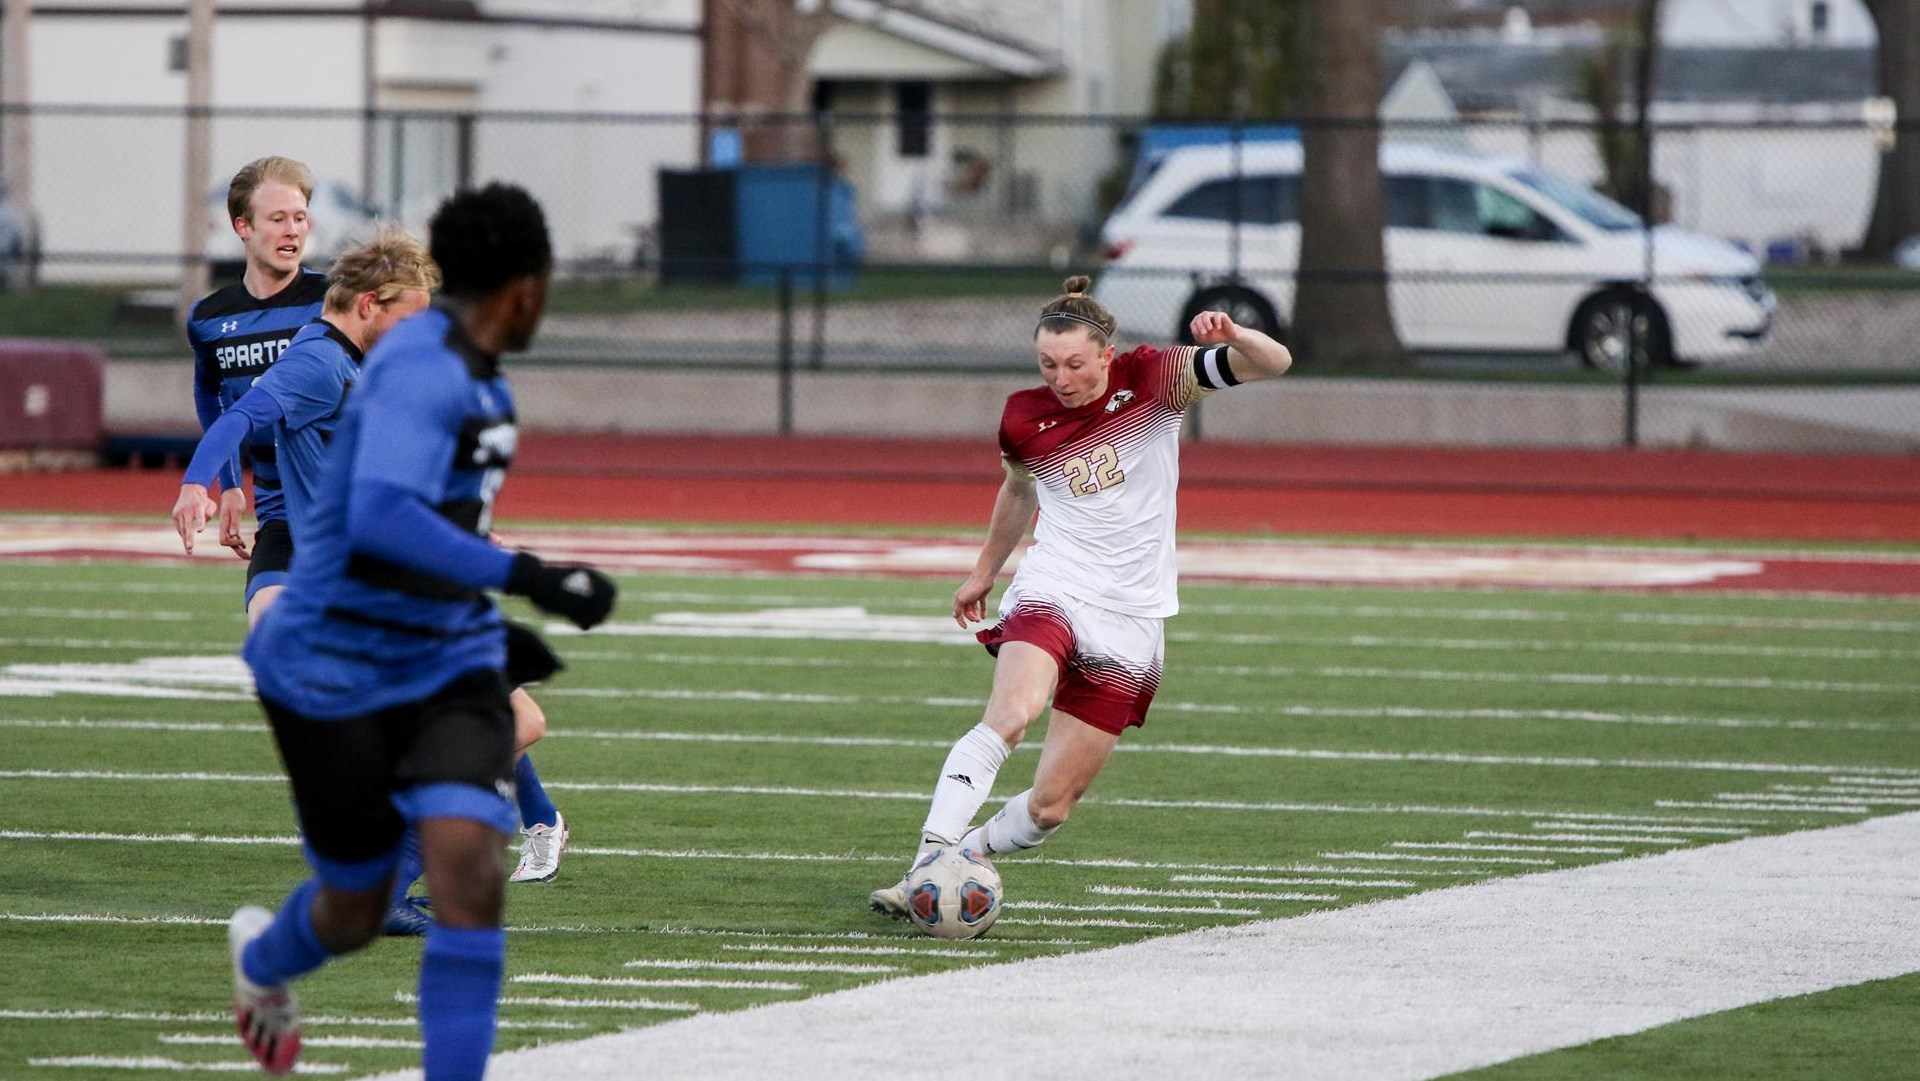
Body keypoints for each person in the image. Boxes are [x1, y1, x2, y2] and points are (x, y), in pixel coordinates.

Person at [225, 183, 617, 1080]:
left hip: (433, 644)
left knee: (468, 882)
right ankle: (263, 963)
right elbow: (381, 516)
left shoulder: (472, 373)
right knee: (354, 905)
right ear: (522, 289)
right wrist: (532, 576)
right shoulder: (409, 370)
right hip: (333, 646)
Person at [172, 227, 575, 932]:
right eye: (411, 317)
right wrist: (199, 483)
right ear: (367, 304)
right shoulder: (320, 364)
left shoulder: (350, 361)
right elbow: (240, 416)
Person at [869, 275, 1292, 918]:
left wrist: (1236, 336)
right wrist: (985, 570)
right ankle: (930, 859)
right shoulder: (1022, 416)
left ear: (1105, 354)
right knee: (1012, 714)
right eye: (1047, 364)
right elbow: (1019, 490)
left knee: (1048, 809)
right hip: (1055, 584)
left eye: (1073, 364)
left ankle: (967, 857)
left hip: (1133, 614)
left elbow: (1275, 362)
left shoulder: (1159, 377)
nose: (1061, 377)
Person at [186, 156, 329, 624]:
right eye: (278, 219)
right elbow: (215, 396)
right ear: (242, 226)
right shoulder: (209, 319)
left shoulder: (336, 303)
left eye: (300, 217)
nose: (293, 230)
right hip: (283, 514)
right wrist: (228, 484)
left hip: (357, 508)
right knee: (271, 633)